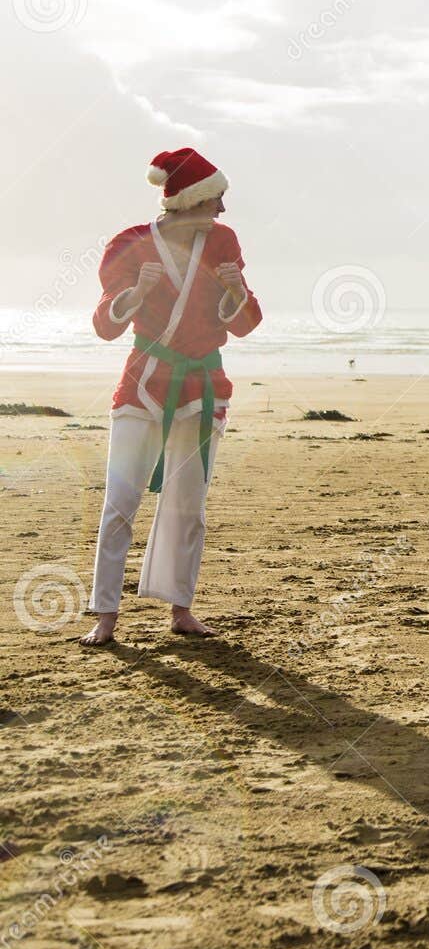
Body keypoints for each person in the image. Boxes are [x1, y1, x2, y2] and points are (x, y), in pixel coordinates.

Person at [80, 148, 263, 646]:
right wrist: (135, 295)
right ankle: (106, 615)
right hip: (142, 385)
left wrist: (235, 292)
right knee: (121, 500)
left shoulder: (223, 241)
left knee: (189, 504)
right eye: (218, 198)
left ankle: (181, 608)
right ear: (197, 199)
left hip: (203, 387)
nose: (224, 210)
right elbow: (103, 326)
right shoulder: (131, 243)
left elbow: (247, 323)